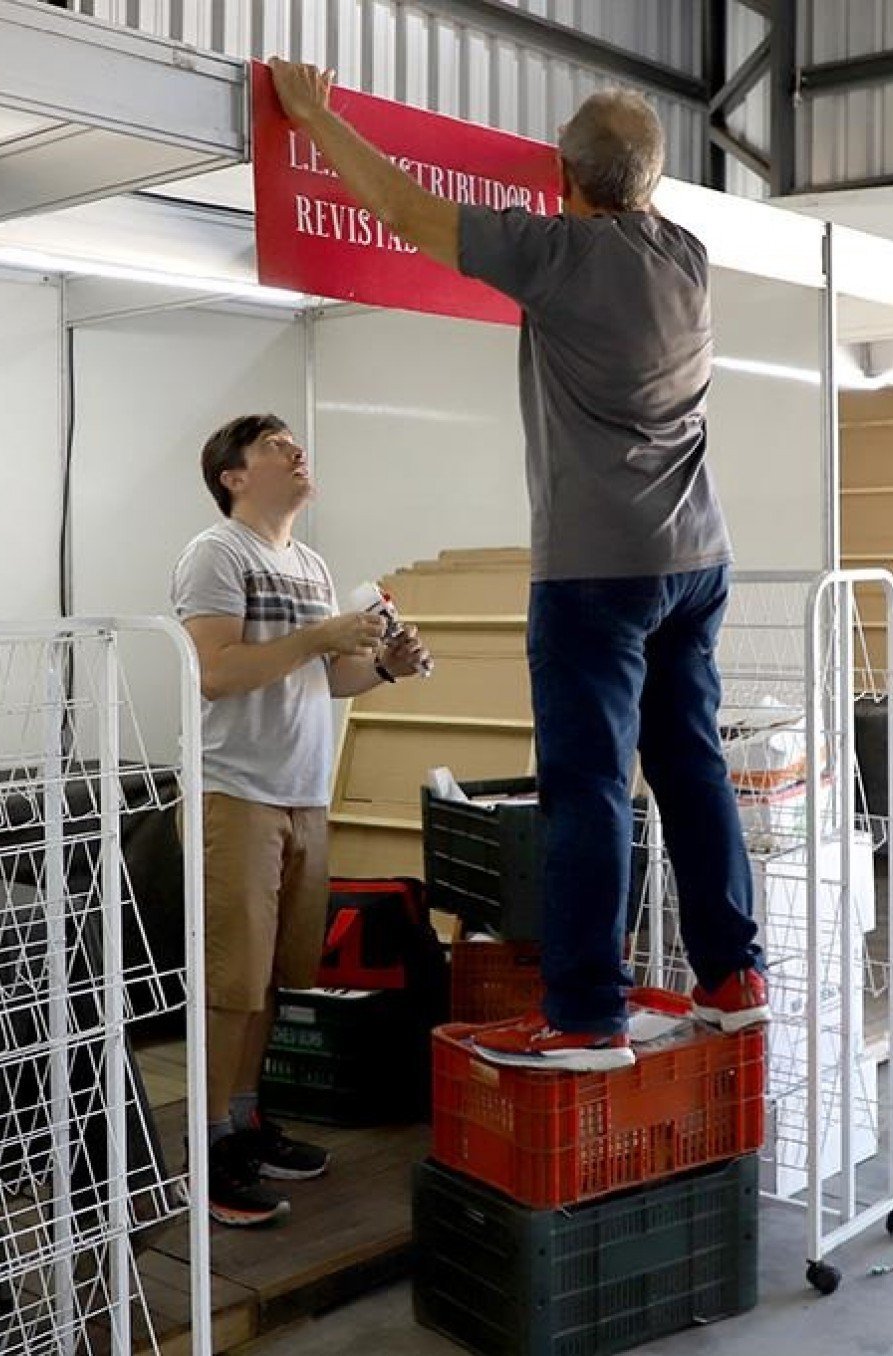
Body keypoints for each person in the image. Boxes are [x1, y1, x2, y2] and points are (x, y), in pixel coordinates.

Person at [265, 59, 766, 1072]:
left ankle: (586, 1017)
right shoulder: (688, 255)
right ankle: (733, 977)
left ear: (559, 181)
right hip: (697, 557)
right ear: (654, 183)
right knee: (690, 764)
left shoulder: (557, 254)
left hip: (597, 570)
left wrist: (316, 114)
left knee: (584, 785)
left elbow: (408, 212)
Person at [171, 412, 432, 1226]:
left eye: (295, 442)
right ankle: (206, 1154)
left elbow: (328, 679)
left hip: (301, 793)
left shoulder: (311, 564)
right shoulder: (216, 554)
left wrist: (382, 666)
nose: (295, 451)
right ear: (233, 477)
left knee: (278, 979)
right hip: (234, 793)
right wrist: (322, 634)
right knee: (230, 984)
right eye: (274, 446)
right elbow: (214, 672)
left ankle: (246, 1120)